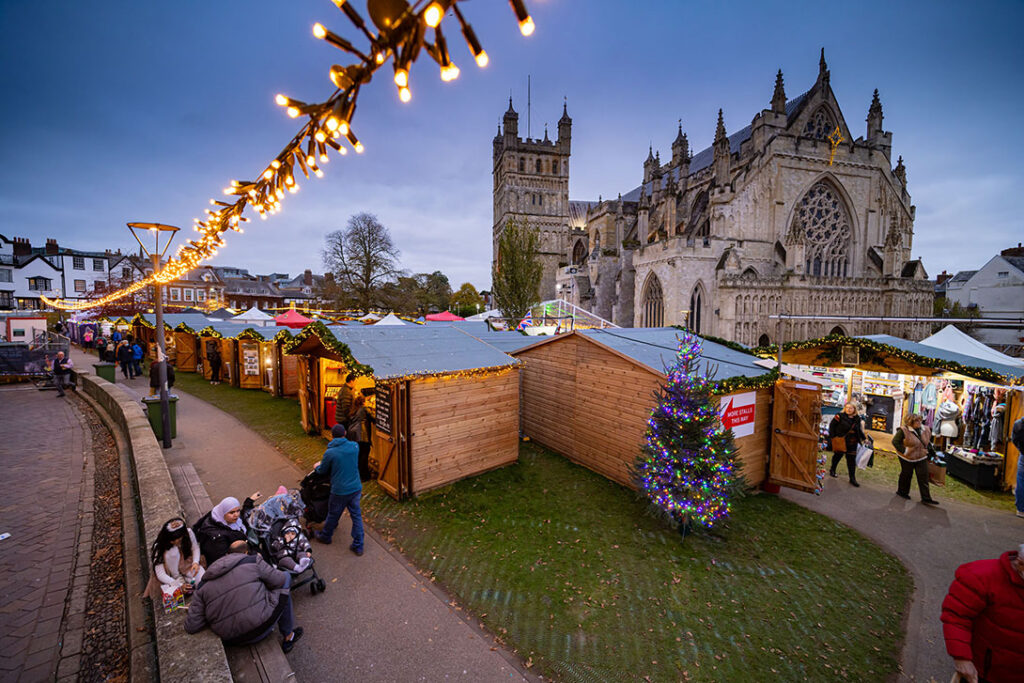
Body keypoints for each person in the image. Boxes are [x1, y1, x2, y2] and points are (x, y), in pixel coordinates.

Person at [184, 541, 304, 653]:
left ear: (227, 555)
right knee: (286, 577)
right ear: (246, 553)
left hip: (232, 639)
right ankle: (288, 636)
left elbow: (191, 626)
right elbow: (279, 580)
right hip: (262, 628)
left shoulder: (202, 585)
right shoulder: (253, 561)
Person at [940, 543, 1024, 683]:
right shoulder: (981, 576)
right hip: (986, 671)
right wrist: (962, 658)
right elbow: (956, 617)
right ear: (1020, 563)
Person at [312, 424, 364, 555]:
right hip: (355, 487)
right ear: (345, 433)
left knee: (333, 513)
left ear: (332, 435)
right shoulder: (354, 447)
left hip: (339, 490)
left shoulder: (330, 453)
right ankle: (358, 545)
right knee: (356, 516)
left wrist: (317, 466)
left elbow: (322, 470)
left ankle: (326, 536)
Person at [193, 493, 261, 565]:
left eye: (238, 511)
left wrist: (249, 502)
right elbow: (226, 559)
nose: (236, 515)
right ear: (223, 513)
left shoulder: (219, 515)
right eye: (232, 512)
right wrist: (253, 554)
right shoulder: (217, 537)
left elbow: (242, 516)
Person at [892, 413, 940, 505]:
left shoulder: (925, 429)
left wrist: (933, 454)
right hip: (907, 457)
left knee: (923, 476)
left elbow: (928, 443)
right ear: (910, 422)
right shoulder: (904, 430)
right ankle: (902, 492)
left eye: (920, 420)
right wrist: (905, 451)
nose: (919, 422)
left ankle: (926, 498)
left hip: (921, 456)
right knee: (907, 474)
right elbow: (895, 442)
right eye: (916, 421)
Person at [151, 518, 204, 594]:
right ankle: (180, 579)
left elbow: (195, 548)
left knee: (202, 580)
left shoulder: (188, 533)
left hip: (188, 565)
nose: (176, 542)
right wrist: (178, 584)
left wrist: (195, 562)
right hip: (172, 575)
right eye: (173, 540)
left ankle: (187, 580)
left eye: (179, 539)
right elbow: (160, 574)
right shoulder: (159, 548)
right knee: (173, 551)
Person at [827, 402, 866, 486]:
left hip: (852, 442)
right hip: (841, 441)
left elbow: (859, 430)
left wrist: (864, 438)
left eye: (851, 408)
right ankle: (832, 470)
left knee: (851, 460)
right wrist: (833, 437)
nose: (848, 409)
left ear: (854, 409)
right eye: (847, 407)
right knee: (837, 457)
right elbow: (832, 426)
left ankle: (852, 479)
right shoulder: (839, 416)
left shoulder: (857, 418)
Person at [347, 394, 372, 481]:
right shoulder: (364, 409)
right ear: (363, 402)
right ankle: (364, 475)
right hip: (362, 434)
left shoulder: (353, 410)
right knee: (364, 455)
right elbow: (374, 417)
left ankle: (358, 474)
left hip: (353, 435)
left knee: (358, 455)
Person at [1012, 415, 1024, 520]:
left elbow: (1014, 440)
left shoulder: (1018, 424)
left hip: (1023, 454)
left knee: (1021, 481)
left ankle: (1021, 509)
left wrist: (1021, 449)